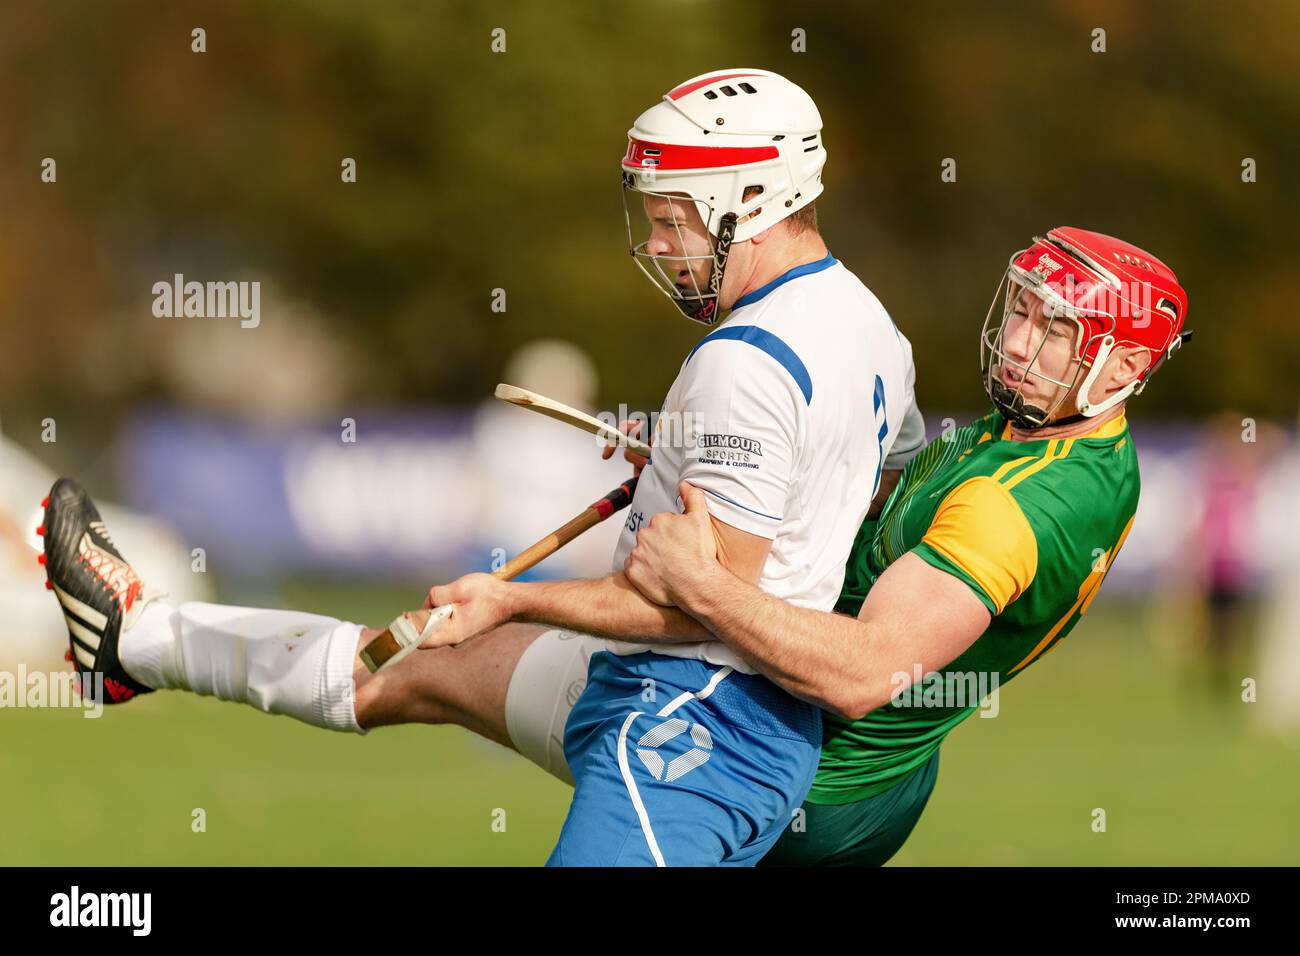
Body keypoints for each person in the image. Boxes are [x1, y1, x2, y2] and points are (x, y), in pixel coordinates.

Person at [38, 68, 924, 866]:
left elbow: (700, 601)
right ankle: (134, 642)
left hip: (695, 726)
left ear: (753, 198)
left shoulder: (747, 361)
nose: (656, 246)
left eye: (672, 218)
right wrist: (694, 461)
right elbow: (866, 481)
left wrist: (511, 597)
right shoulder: (874, 328)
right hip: (672, 694)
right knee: (407, 664)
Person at [609, 226, 1193, 863]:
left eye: (1056, 331)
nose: (1019, 341)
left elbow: (862, 674)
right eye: (1021, 310)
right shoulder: (1059, 437)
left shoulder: (1017, 503)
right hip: (877, 768)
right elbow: (863, 499)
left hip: (804, 775)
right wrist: (714, 457)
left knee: (501, 631)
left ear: (1127, 368)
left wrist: (698, 580)